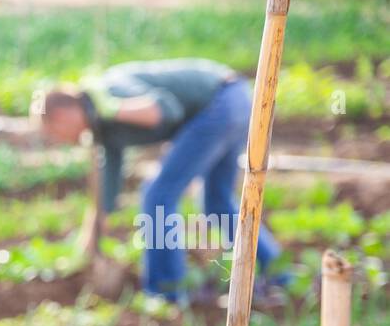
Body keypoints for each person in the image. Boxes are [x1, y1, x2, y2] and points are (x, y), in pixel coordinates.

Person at [37, 58, 292, 305]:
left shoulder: (109, 90)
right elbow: (109, 183)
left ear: (61, 116)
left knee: (157, 195)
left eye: (52, 133)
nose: (57, 139)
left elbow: (166, 110)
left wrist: (114, 108)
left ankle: (166, 293)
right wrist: (92, 237)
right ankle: (282, 277)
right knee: (216, 203)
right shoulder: (102, 127)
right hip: (234, 98)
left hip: (221, 101)